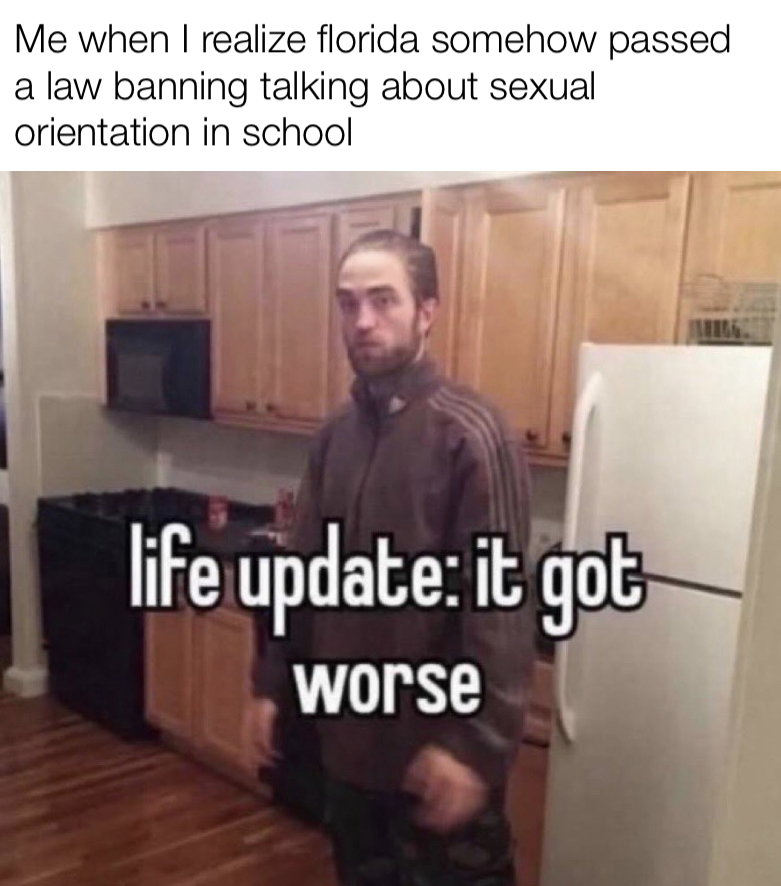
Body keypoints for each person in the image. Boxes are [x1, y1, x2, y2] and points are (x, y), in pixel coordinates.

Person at [243, 229, 535, 885]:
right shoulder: (333, 436)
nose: (362, 321)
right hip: (349, 762)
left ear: (426, 311)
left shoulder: (472, 434)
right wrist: (271, 685)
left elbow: (500, 608)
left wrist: (474, 748)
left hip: (438, 766)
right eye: (348, 304)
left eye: (383, 300)